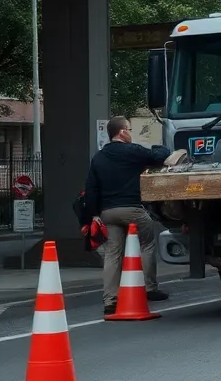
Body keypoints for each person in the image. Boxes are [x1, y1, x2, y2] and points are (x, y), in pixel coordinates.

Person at [84, 116, 172, 315]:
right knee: (147, 243)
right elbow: (161, 155)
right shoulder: (133, 151)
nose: (130, 132)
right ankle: (150, 288)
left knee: (113, 254)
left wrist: (94, 214)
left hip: (108, 212)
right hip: (132, 209)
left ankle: (110, 300)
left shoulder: (98, 157)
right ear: (122, 132)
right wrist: (157, 145)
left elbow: (91, 188)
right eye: (129, 129)